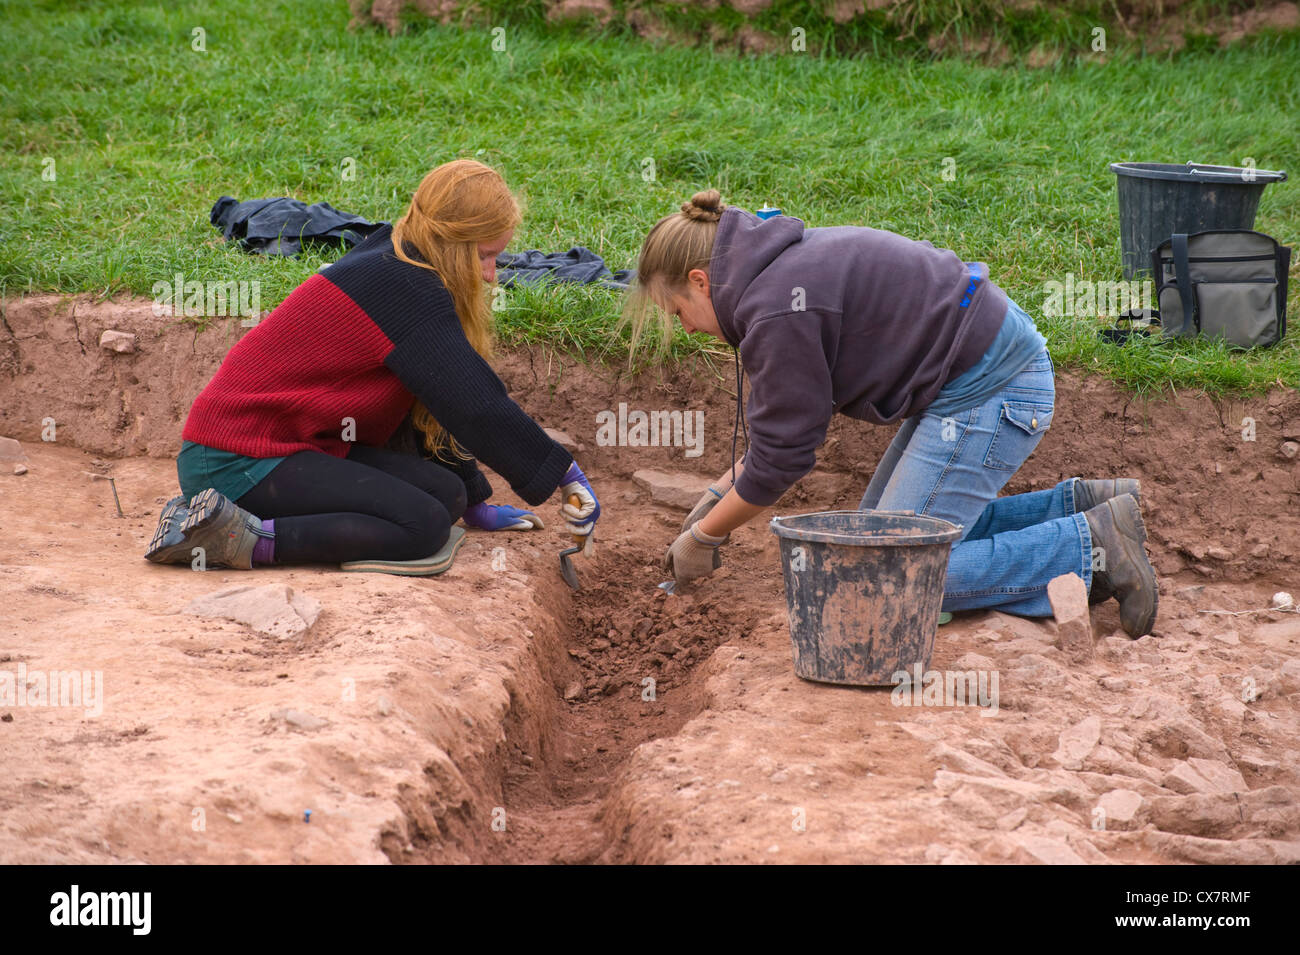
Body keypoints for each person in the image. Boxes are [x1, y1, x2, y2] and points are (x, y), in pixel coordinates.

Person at [627, 190, 1157, 637]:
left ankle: (1091, 547)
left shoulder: (773, 311)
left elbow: (781, 461)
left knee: (880, 574)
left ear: (700, 280)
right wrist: (716, 500)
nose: (688, 328)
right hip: (972, 374)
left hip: (994, 388)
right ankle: (1077, 508)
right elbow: (776, 441)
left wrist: (706, 536)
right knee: (872, 539)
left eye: (678, 313)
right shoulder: (770, 275)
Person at [145, 159, 599, 574]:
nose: (491, 274)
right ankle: (232, 537)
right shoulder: (405, 288)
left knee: (447, 495)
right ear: (451, 241)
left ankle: (234, 520)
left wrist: (474, 500)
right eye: (483, 255)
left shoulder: (400, 254)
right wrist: (564, 475)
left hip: (290, 444)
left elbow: (438, 395)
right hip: (236, 458)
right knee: (421, 527)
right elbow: (474, 405)